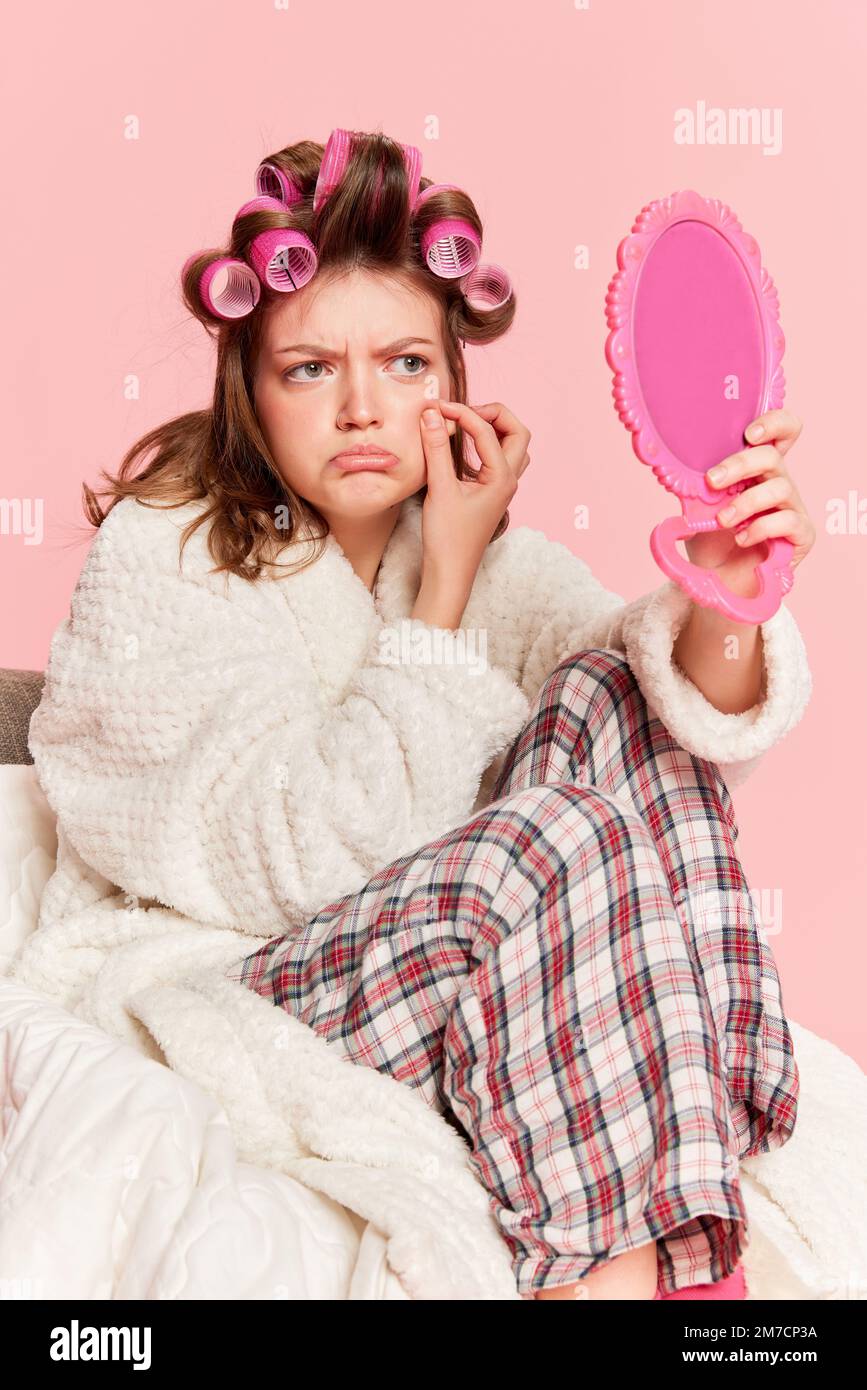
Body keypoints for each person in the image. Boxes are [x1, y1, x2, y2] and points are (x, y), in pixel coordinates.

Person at [28, 129, 816, 1300]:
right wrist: (440, 594)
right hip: (238, 990)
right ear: (247, 385)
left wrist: (728, 592)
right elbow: (296, 865)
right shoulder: (165, 552)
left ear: (452, 380)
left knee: (606, 692)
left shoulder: (473, 550)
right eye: (308, 369)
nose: (361, 408)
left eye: (404, 364)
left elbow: (663, 723)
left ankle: (685, 1186)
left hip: (428, 982)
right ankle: (609, 1273)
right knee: (562, 833)